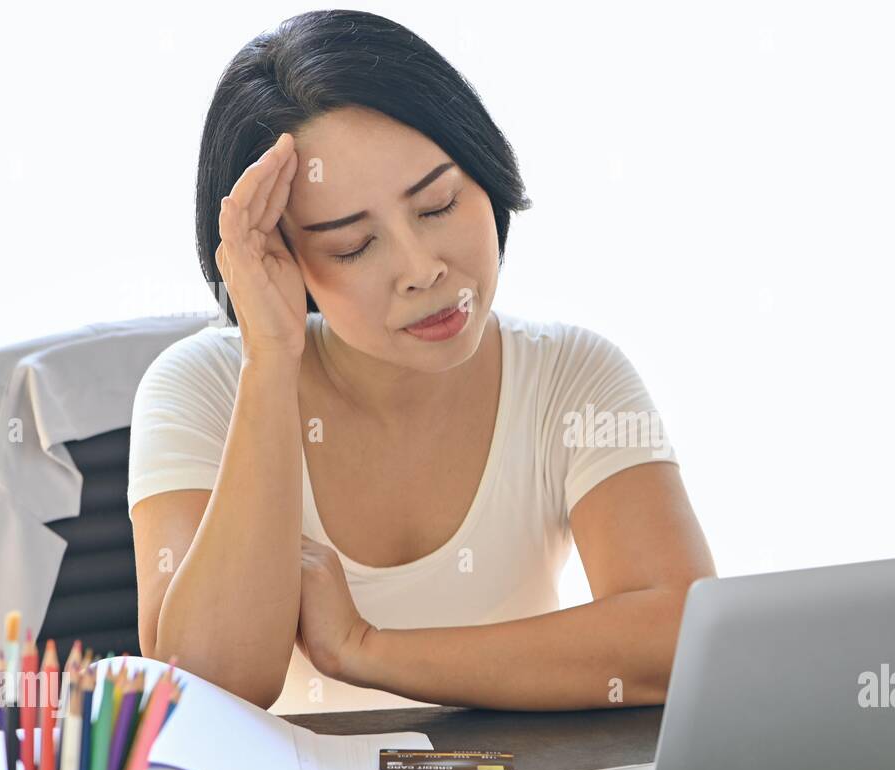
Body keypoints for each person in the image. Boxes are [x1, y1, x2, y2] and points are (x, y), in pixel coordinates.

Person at [127, 10, 715, 714]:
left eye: (437, 204)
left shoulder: (572, 373)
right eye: (351, 245)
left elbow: (680, 640)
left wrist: (366, 650)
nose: (421, 269)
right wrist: (272, 362)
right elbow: (204, 687)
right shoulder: (202, 388)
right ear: (283, 259)